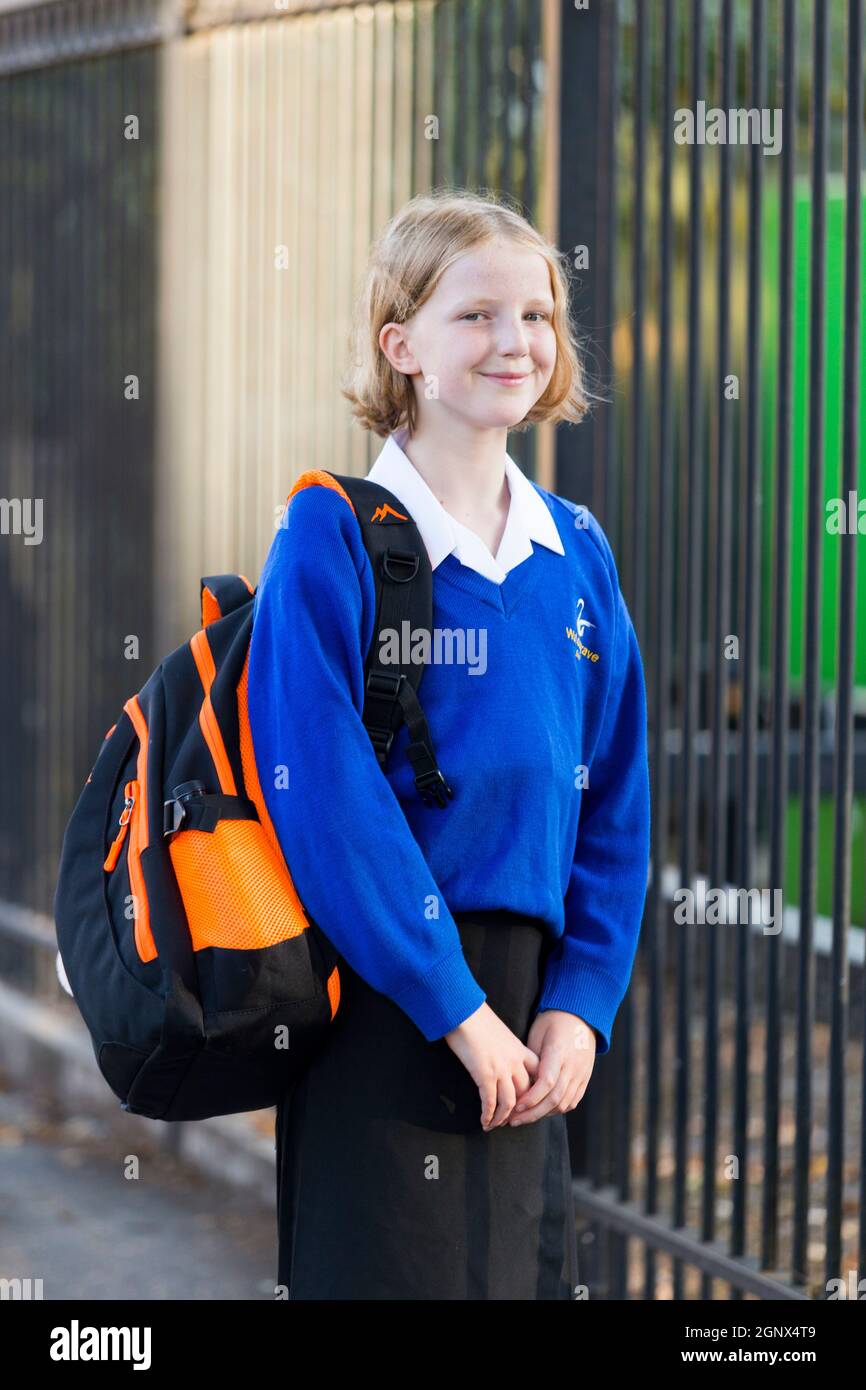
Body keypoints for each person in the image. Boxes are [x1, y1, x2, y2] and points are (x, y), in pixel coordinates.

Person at [247, 187, 651, 1300]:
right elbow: (326, 801)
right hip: (380, 1003)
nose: (512, 341)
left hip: (530, 1024)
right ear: (402, 345)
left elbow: (613, 805)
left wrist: (580, 1002)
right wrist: (453, 1009)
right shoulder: (329, 533)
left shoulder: (576, 550)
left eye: (535, 313)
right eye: (473, 315)